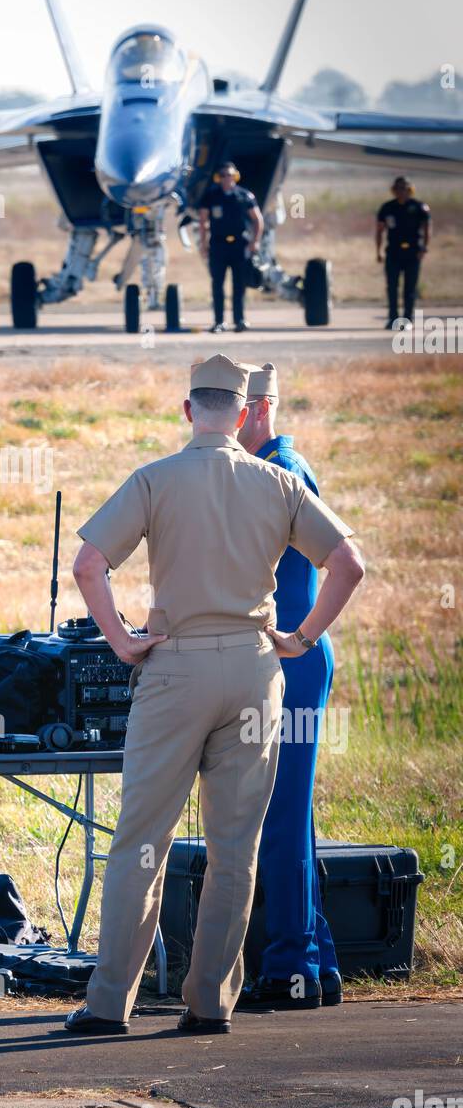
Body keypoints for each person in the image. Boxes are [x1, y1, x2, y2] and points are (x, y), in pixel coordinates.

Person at [63, 354, 364, 1037]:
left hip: (176, 669)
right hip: (256, 670)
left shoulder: (155, 479)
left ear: (188, 410)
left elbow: (88, 564)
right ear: (245, 412)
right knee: (236, 847)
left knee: (142, 842)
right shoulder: (277, 480)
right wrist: (303, 636)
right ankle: (210, 1002)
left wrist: (120, 638)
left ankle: (111, 1002)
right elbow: (349, 561)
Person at [236, 363, 342, 1010]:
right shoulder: (272, 468)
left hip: (293, 662)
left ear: (259, 409)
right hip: (290, 657)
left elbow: (341, 563)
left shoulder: (284, 473)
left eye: (236, 410)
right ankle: (317, 963)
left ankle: (290, 969)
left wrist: (302, 635)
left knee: (280, 817)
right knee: (291, 818)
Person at [198, 163, 264, 334]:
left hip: (239, 245)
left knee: (239, 285)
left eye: (230, 175)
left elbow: (258, 219)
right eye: (223, 175)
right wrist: (203, 243)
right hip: (218, 246)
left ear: (235, 176)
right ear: (218, 178)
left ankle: (239, 320)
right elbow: (203, 221)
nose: (227, 178)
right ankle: (219, 322)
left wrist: (255, 242)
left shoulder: (244, 196)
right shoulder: (211, 196)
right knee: (217, 285)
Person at [376, 176, 431, 328]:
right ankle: (393, 318)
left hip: (413, 252)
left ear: (410, 190)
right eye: (398, 188)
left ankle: (407, 318)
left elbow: (427, 229)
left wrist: (424, 248)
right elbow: (380, 230)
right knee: (392, 287)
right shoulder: (387, 208)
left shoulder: (419, 207)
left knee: (410, 288)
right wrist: (379, 251)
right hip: (393, 252)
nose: (402, 191)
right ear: (394, 190)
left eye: (405, 188)